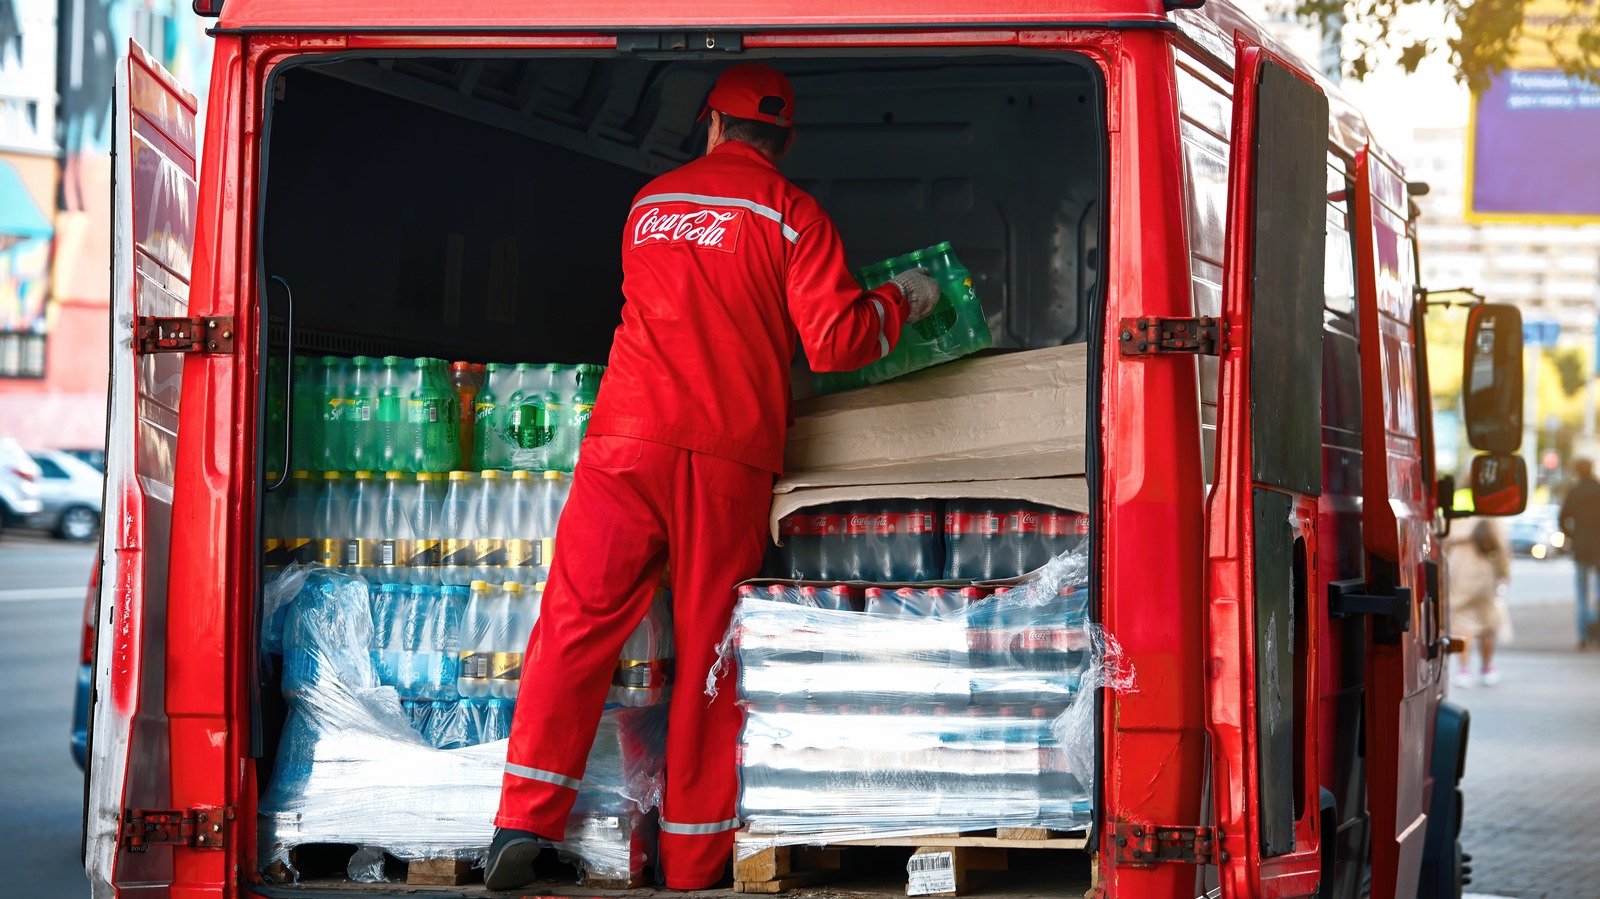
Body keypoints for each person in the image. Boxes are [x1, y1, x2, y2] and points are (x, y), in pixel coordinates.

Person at [483, 63, 941, 891]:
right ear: (784, 141)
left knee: (576, 622)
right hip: (724, 455)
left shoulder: (651, 204)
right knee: (706, 658)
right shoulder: (793, 214)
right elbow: (836, 342)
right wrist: (902, 300)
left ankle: (521, 820)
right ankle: (694, 861)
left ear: (712, 125)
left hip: (625, 438)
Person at [1445, 519, 1509, 686]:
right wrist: (1505, 574)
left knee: (1461, 624)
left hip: (1460, 573)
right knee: (1488, 623)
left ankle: (1463, 670)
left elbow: (1443, 544)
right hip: (1485, 575)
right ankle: (1486, 668)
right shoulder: (1492, 513)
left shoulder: (1455, 519)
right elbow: (1503, 547)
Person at [1559, 458, 1600, 649]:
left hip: (1581, 547)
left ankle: (1583, 636)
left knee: (1582, 594)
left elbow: (1562, 519)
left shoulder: (1574, 493)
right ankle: (1596, 631)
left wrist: (1573, 535)